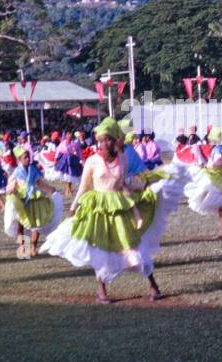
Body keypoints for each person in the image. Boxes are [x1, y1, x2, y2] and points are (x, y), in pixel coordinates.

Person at [43, 118, 166, 303]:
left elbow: (123, 183)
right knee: (99, 247)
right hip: (98, 209)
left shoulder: (122, 158)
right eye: (99, 140)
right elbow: (84, 187)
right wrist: (74, 207)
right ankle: (101, 290)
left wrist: (137, 191)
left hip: (118, 207)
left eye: (106, 139)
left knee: (131, 245)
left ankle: (153, 286)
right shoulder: (92, 161)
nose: (101, 144)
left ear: (114, 140)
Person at [184, 124, 222, 239]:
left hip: (221, 181)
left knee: (220, 205)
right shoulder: (221, 148)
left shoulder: (217, 149)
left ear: (212, 138)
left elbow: (219, 161)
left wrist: (210, 165)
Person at [3, 144, 64, 257]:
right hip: (21, 200)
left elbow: (39, 182)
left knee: (36, 224)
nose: (27, 159)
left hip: (33, 199)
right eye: (25, 157)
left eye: (28, 156)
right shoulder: (17, 172)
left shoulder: (33, 169)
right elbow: (11, 186)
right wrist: (10, 189)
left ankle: (33, 248)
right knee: (22, 225)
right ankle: (24, 248)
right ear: (19, 160)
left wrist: (50, 190)